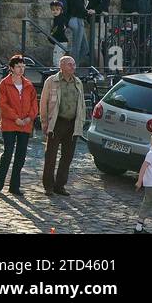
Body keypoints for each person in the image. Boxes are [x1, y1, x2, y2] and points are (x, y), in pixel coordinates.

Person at [39, 55, 84, 197]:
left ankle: (60, 185)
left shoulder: (77, 82)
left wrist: (81, 122)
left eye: (74, 64)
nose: (73, 67)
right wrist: (44, 122)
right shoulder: (52, 81)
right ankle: (48, 186)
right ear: (62, 66)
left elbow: (81, 104)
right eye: (70, 64)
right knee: (50, 156)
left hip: (72, 124)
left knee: (67, 156)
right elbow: (43, 102)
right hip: (56, 122)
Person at [0, 55, 37, 196]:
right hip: (10, 124)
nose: (21, 69)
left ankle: (14, 187)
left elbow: (34, 104)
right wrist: (15, 118)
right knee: (7, 154)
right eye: (18, 66)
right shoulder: (4, 84)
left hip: (25, 125)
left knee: (21, 156)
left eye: (23, 67)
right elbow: (3, 105)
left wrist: (29, 118)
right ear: (11, 68)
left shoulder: (29, 85)